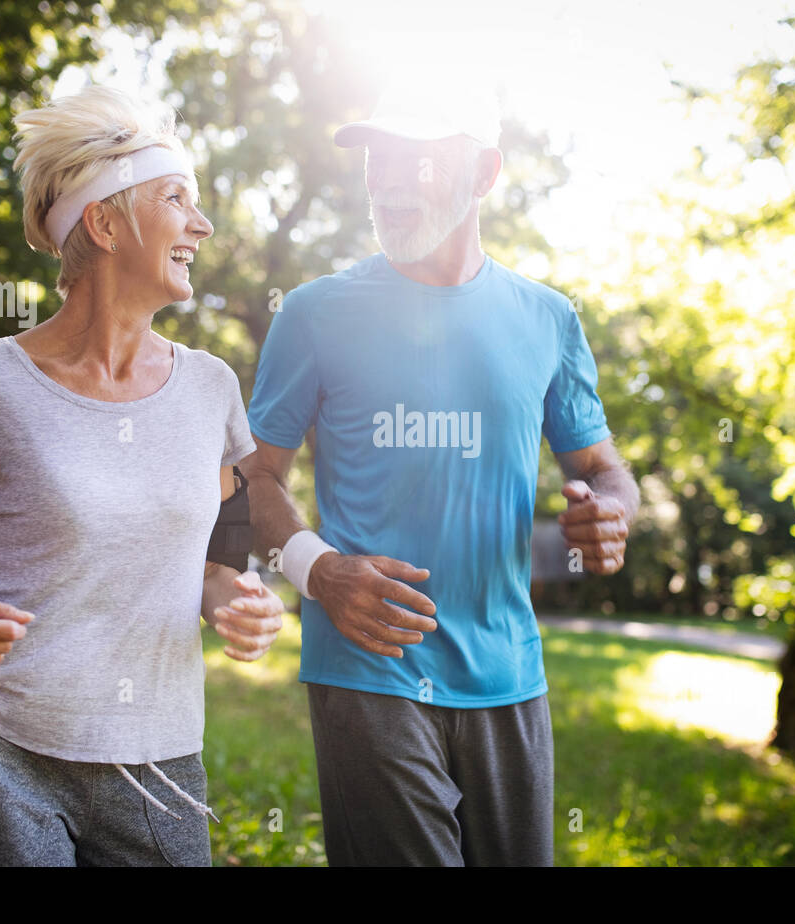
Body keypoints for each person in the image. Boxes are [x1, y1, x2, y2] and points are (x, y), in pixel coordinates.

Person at [0, 85, 284, 867]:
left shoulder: (212, 390)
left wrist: (233, 602)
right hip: (4, 754)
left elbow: (216, 560)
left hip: (163, 760)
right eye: (177, 199)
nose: (201, 225)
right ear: (104, 223)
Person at [241, 74, 641, 866]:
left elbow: (604, 467)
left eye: (417, 160)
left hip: (510, 673)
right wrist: (318, 574)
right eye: (377, 160)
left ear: (484, 174)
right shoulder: (315, 313)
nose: (389, 181)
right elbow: (253, 477)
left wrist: (614, 510)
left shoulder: (548, 318)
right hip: (368, 666)